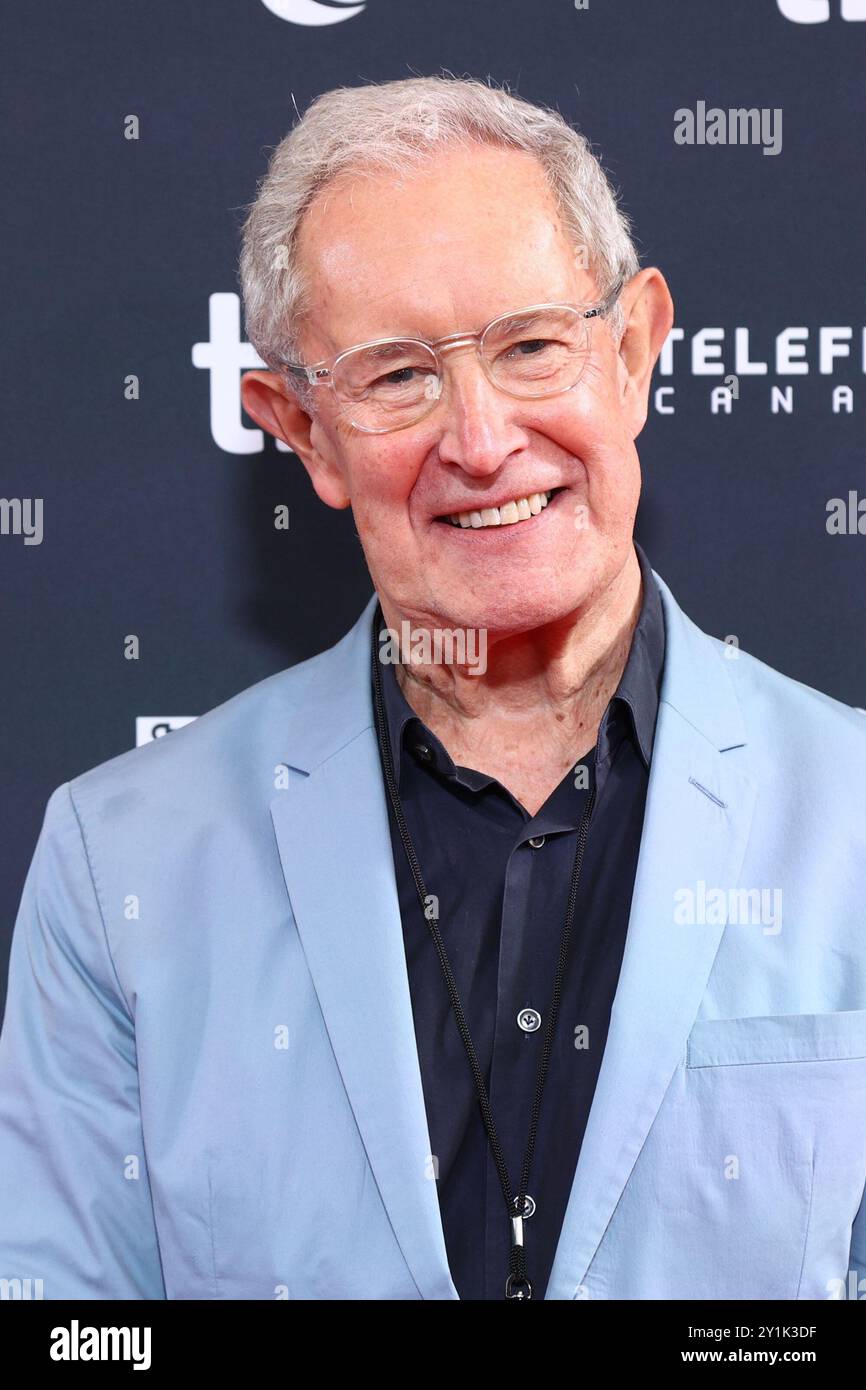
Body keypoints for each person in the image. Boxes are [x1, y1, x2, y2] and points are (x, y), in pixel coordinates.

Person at [1, 75, 865, 1302]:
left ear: (630, 351)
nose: (477, 439)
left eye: (529, 346)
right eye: (398, 375)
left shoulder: (852, 817)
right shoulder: (120, 863)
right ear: (301, 432)